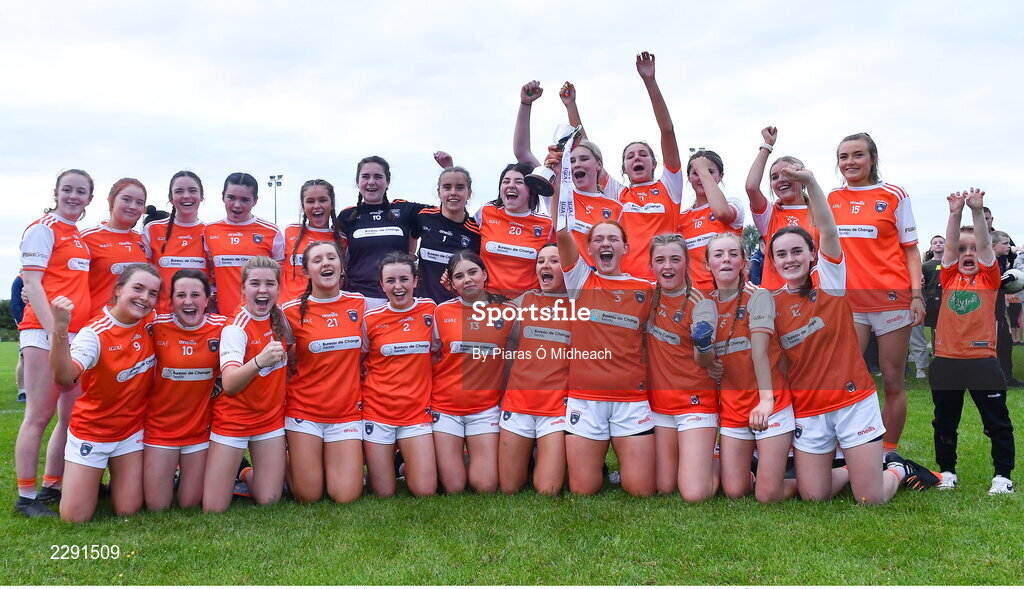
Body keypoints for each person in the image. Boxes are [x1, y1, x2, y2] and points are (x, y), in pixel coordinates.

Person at [770, 162, 936, 504]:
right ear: (772, 263)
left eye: (797, 251)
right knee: (813, 495)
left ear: (813, 253)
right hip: (810, 408)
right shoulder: (770, 303)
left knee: (870, 499)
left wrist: (811, 183)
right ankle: (864, 467)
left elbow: (829, 231)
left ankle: (895, 470)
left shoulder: (829, 282)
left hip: (851, 402)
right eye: (781, 254)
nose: (790, 259)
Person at [548, 145, 655, 497]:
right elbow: (562, 230)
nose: (605, 244)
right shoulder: (580, 280)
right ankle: (599, 465)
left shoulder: (647, 288)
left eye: (613, 239)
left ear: (626, 247)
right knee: (583, 490)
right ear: (589, 250)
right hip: (585, 398)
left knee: (640, 490)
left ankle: (620, 465)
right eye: (598, 240)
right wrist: (561, 174)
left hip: (631, 399)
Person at [827, 132, 921, 452]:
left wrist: (918, 295)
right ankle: (850, 446)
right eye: (843, 157)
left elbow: (910, 250)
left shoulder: (894, 194)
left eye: (857, 155)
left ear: (872, 159)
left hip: (892, 300)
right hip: (850, 303)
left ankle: (888, 450)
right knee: (847, 377)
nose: (850, 162)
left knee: (893, 380)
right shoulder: (831, 199)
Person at [48, 263, 161, 522]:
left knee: (128, 510)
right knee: (74, 518)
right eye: (138, 288)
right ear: (119, 290)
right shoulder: (94, 333)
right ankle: (88, 480)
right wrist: (60, 328)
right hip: (92, 431)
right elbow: (64, 377)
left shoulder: (152, 323)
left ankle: (109, 483)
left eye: (152, 293)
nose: (145, 298)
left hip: (131, 432)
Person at [14, 169, 94, 518]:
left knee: (70, 417)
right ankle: (25, 497)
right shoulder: (43, 228)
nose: (73, 196)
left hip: (73, 336)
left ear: (90, 198)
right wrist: (53, 332)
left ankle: (52, 485)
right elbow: (31, 283)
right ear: (56, 192)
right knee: (38, 416)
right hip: (45, 334)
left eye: (81, 192)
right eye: (67, 190)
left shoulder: (76, 235)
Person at [566, 52, 684, 281]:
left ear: (654, 162)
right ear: (623, 168)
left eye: (643, 154)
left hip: (663, 282)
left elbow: (667, 131)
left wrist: (650, 81)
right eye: (630, 156)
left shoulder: (670, 188)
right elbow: (587, 151)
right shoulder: (619, 194)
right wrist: (572, 106)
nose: (637, 158)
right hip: (626, 284)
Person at [931, 189, 1016, 494]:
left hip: (982, 362)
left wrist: (977, 213)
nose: (968, 254)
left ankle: (1003, 476)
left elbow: (983, 248)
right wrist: (955, 214)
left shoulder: (989, 278)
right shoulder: (949, 277)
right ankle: (947, 472)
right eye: (962, 249)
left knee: (997, 422)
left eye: (974, 249)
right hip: (946, 361)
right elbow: (951, 246)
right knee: (944, 422)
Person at [703, 233, 795, 503]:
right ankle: (758, 470)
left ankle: (844, 470)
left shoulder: (759, 296)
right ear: (707, 265)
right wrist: (711, 365)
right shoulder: (704, 305)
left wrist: (766, 400)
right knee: (734, 491)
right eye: (718, 255)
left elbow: (760, 353)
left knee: (767, 497)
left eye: (733, 254)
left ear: (743, 261)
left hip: (770, 403)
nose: (726, 259)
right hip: (733, 406)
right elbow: (706, 355)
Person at [281, 241, 364, 504]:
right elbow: (285, 360)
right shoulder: (290, 312)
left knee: (345, 496)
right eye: (317, 260)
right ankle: (278, 461)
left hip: (346, 413)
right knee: (308, 496)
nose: (326, 263)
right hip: (305, 411)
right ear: (306, 272)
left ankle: (326, 463)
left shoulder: (360, 304)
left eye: (331, 258)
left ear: (341, 267)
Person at [203, 256, 288, 513]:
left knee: (269, 499)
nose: (263, 290)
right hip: (234, 422)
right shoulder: (235, 328)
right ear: (243, 289)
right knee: (214, 508)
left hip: (269, 421)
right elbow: (229, 384)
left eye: (270, 284)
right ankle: (237, 467)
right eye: (255, 283)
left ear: (278, 288)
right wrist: (259, 361)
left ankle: (246, 472)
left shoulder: (281, 318)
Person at [644, 234, 720, 501]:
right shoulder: (647, 297)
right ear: (650, 265)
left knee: (694, 494)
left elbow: (707, 359)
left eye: (675, 260)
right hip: (660, 406)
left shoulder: (701, 303)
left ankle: (724, 462)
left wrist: (703, 347)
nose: (668, 267)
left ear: (686, 263)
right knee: (664, 486)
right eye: (660, 260)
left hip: (694, 403)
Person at [431, 251, 514, 494]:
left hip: (484, 409)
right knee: (454, 487)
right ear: (452, 283)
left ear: (484, 274)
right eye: (459, 276)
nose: (466, 279)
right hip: (445, 408)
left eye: (472, 272)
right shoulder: (441, 312)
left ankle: (465, 459)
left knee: (485, 486)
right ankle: (415, 463)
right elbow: (433, 354)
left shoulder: (507, 311)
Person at [144, 269, 226, 510]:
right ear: (171, 300)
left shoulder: (223, 327)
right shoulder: (155, 325)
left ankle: (236, 471)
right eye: (181, 295)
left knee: (190, 503)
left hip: (199, 432)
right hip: (160, 430)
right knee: (157, 506)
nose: (188, 301)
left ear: (206, 299)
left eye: (195, 295)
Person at [361, 252, 438, 498]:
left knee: (425, 490)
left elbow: (438, 352)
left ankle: (402, 464)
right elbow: (358, 360)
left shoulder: (430, 310)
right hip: (378, 411)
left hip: (416, 413)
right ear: (381, 285)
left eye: (404, 279)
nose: (398, 286)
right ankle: (387, 465)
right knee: (382, 492)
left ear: (415, 281)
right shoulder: (369, 319)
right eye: (391, 281)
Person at [499, 244, 569, 495]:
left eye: (554, 261)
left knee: (548, 489)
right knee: (509, 488)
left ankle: (552, 455)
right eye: (541, 261)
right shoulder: (523, 302)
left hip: (555, 407)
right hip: (518, 404)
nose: (545, 266)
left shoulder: (580, 304)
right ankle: (534, 454)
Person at [338, 156, 425, 309]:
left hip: (398, 297)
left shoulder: (404, 209)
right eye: (365, 177)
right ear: (358, 181)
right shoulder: (346, 216)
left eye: (378, 177)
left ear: (387, 182)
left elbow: (444, 211)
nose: (371, 182)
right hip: (358, 298)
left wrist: (448, 169)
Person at [744, 126, 818, 290]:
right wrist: (767, 146)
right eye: (774, 177)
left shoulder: (819, 212)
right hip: (776, 299)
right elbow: (751, 187)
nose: (781, 180)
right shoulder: (770, 214)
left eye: (787, 174)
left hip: (813, 298)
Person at [203, 173, 285, 315]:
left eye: (245, 199)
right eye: (231, 197)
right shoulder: (209, 231)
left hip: (262, 318)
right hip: (225, 318)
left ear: (255, 200)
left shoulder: (271, 232)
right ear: (223, 196)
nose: (237, 205)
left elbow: (281, 279)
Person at [475, 163, 552, 295]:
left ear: (531, 190)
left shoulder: (547, 224)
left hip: (527, 307)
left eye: (519, 181)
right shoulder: (485, 212)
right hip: (487, 305)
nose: (511, 185)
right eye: (506, 181)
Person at [143, 171, 209, 314]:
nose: (186, 196)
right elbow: (144, 277)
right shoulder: (153, 229)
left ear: (201, 196)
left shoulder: (210, 232)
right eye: (179, 191)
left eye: (192, 190)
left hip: (199, 319)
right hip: (161, 319)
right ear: (171, 198)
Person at [678, 150, 746, 289]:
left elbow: (721, 212)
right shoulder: (682, 217)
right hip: (695, 297)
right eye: (696, 173)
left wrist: (702, 171)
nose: (702, 177)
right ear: (689, 178)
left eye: (710, 172)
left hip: (726, 293)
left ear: (721, 176)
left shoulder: (732, 204)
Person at [82, 178, 149, 319]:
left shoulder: (143, 240)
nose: (133, 206)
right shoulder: (87, 238)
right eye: (126, 199)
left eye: (139, 203)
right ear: (111, 200)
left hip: (136, 326)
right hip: (97, 323)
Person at [415, 163, 482, 303]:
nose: (453, 192)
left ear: (469, 193)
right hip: (421, 307)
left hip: (456, 309)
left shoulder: (476, 232)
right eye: (447, 187)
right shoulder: (424, 216)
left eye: (460, 187)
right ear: (439, 192)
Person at [281, 179, 346, 303]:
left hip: (325, 310)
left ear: (332, 204)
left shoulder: (342, 240)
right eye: (310, 201)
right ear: (303, 206)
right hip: (290, 311)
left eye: (323, 200)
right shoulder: (289, 232)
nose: (316, 206)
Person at [991, 230, 1021, 386]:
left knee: (1006, 344)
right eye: (1006, 243)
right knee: (995, 347)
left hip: (1000, 310)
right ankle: (997, 379)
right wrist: (1010, 277)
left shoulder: (1001, 260)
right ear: (993, 246)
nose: (1009, 246)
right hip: (990, 313)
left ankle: (1007, 378)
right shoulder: (989, 262)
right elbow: (991, 284)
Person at [11, 275, 26, 402]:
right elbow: (15, 305)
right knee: (24, 358)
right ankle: (22, 391)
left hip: (49, 323)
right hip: (28, 326)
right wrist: (21, 324)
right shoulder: (20, 279)